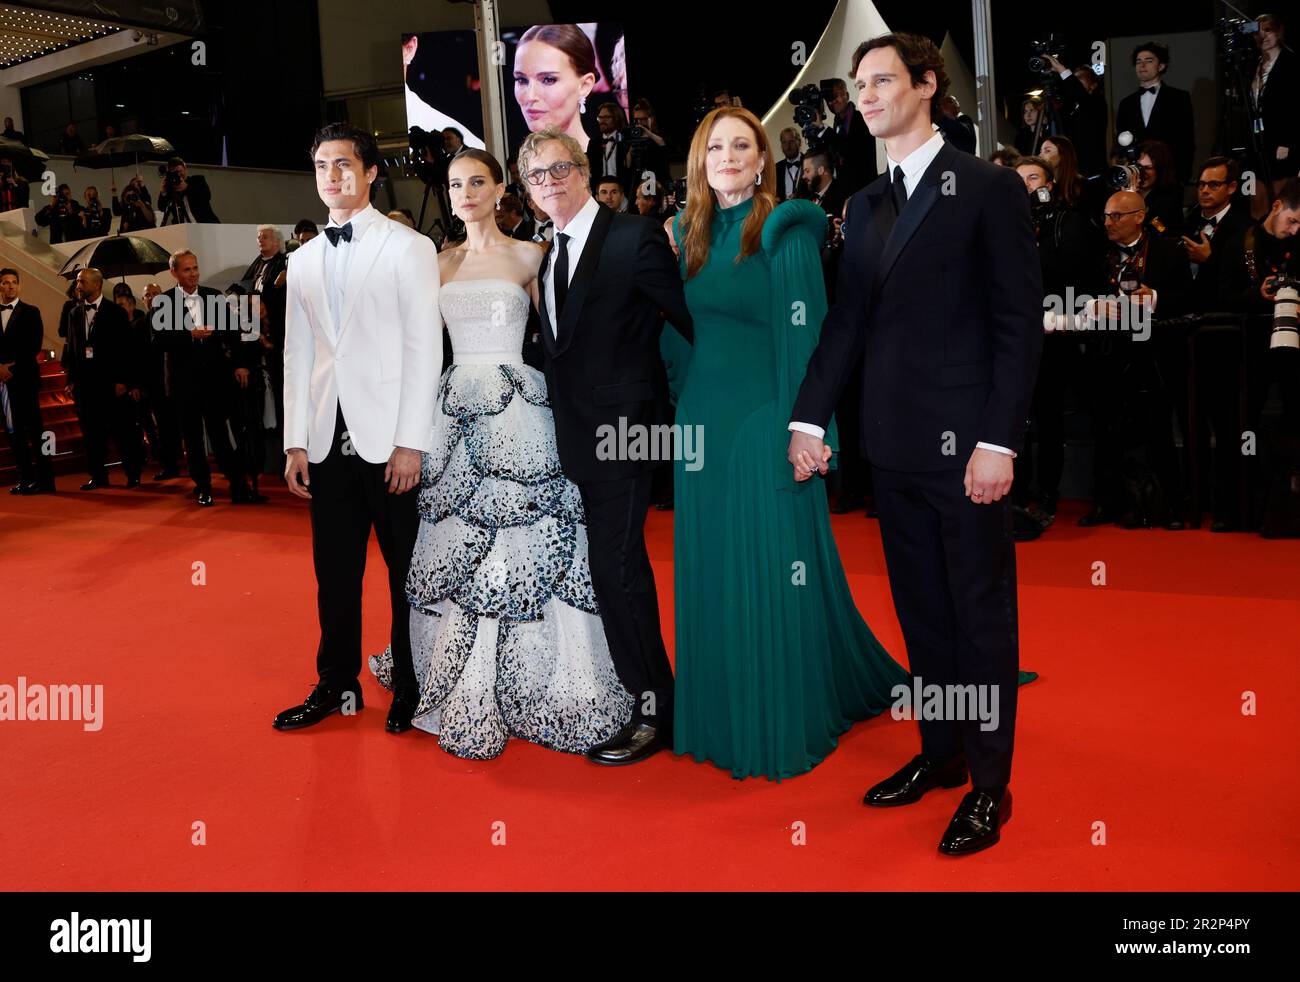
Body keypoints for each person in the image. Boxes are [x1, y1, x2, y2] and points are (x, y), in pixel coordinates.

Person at [788, 33, 1043, 855]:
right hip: (889, 448)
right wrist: (806, 419)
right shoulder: (862, 206)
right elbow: (847, 325)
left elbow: (1016, 325)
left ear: (927, 85)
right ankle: (941, 754)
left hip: (968, 451)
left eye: (881, 80)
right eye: (857, 84)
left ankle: (991, 788)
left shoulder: (987, 187)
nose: (864, 95)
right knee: (922, 615)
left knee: (981, 620)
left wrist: (999, 439)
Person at [659, 105, 906, 782]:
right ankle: (719, 713)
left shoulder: (784, 228)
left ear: (765, 159)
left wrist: (810, 430)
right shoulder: (685, 231)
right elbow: (677, 333)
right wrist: (683, 411)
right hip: (701, 429)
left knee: (772, 568)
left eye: (743, 146)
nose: (730, 157)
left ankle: (778, 716)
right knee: (712, 571)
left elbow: (809, 336)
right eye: (717, 148)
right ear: (699, 161)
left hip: (767, 422)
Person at [366, 147, 634, 758]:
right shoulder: (434, 264)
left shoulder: (531, 255)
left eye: (476, 182)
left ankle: (550, 679)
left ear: (498, 189)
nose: (464, 193)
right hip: (453, 412)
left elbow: (564, 343)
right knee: (464, 539)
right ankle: (467, 679)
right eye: (455, 184)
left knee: (528, 534)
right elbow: (414, 351)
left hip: (520, 408)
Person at [526, 126, 694, 764]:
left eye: (559, 169)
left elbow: (686, 322)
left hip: (627, 431)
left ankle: (653, 711)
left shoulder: (634, 236)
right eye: (537, 176)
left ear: (584, 166)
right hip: (574, 435)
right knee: (617, 572)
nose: (550, 183)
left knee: (617, 569)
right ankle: (655, 701)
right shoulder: (548, 252)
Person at [273, 124, 442, 735]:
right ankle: (334, 684)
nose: (332, 176)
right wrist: (295, 438)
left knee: (404, 572)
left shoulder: (408, 246)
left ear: (370, 172)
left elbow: (425, 349)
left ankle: (411, 686)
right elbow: (299, 354)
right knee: (335, 572)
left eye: (344, 165)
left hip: (390, 441)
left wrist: (411, 440)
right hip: (326, 441)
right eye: (322, 166)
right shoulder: (302, 258)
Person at [152, 250, 261, 506]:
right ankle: (203, 487)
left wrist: (239, 365)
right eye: (187, 269)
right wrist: (190, 335)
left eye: (195, 268)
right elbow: (158, 341)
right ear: (174, 273)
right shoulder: (162, 302)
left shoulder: (213, 296)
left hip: (215, 379)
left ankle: (238, 486)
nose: (193, 273)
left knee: (220, 434)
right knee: (192, 437)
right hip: (183, 381)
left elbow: (233, 333)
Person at [59, 268, 143, 490]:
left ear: (97, 285)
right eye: (78, 282)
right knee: (91, 435)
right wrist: (71, 379)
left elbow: (127, 350)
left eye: (82, 282)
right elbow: (73, 349)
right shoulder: (73, 313)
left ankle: (133, 474)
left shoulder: (116, 312)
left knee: (122, 433)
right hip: (86, 386)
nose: (78, 286)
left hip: (112, 384)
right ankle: (97, 476)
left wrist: (124, 381)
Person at [0, 268, 55, 495]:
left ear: (19, 286)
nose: (10, 286)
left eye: (14, 282)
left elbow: (33, 345)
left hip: (24, 379)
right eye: (5, 282)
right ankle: (25, 478)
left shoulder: (31, 312)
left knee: (36, 430)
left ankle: (46, 479)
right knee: (14, 433)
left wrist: (9, 368)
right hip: (2, 383)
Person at [1114, 41, 1196, 183]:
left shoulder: (1179, 98)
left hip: (1169, 174)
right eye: (1138, 61)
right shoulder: (1126, 103)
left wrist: (1182, 175)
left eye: (1148, 61)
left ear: (1161, 66)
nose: (1142, 65)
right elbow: (1121, 142)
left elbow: (1186, 139)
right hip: (1136, 176)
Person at [513, 24, 599, 154]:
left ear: (584, 85)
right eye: (522, 80)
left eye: (548, 80)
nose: (530, 96)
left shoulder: (605, 162)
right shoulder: (517, 166)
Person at [157, 157, 220, 224]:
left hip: (205, 225)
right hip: (182, 229)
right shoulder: (171, 189)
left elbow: (206, 196)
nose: (178, 174)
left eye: (179, 170)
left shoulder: (197, 180)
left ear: (185, 169)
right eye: (173, 171)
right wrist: (163, 192)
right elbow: (162, 207)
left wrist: (187, 187)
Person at [775, 126, 804, 202]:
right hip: (785, 212)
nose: (788, 146)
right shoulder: (776, 168)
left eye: (791, 141)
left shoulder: (809, 162)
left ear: (799, 142)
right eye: (784, 142)